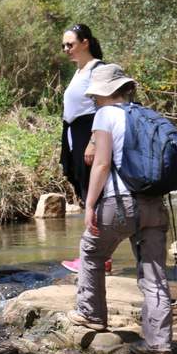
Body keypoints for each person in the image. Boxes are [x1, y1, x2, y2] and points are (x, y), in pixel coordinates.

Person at [65, 63, 173, 354]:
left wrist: (89, 205)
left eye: (95, 95)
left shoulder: (105, 115)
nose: (94, 100)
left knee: (92, 252)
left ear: (104, 93)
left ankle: (92, 314)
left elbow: (101, 164)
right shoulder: (148, 115)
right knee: (154, 274)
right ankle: (159, 344)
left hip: (119, 202)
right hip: (154, 203)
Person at [58, 24, 110, 275]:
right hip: (72, 135)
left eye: (71, 44)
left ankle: (97, 257)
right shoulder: (79, 71)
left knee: (94, 194)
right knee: (84, 191)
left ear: (85, 42)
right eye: (64, 45)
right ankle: (96, 255)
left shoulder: (97, 69)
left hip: (89, 134)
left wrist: (92, 141)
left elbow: (102, 107)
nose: (66, 49)